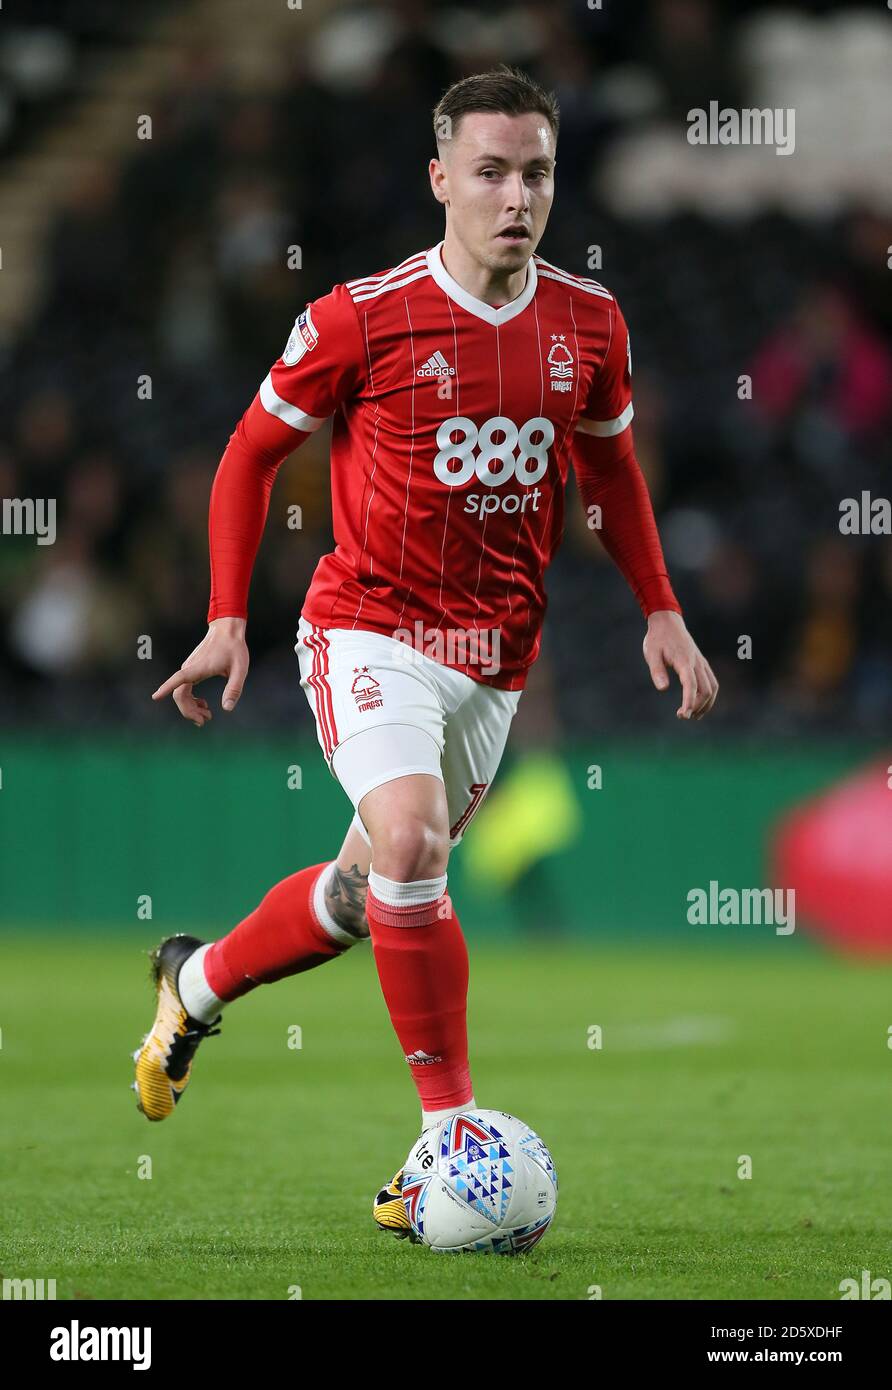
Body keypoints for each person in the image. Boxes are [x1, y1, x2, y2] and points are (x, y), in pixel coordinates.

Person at [134, 65, 718, 1238]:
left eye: (537, 173)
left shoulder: (588, 324)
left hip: (494, 663)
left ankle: (190, 987)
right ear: (440, 177)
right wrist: (227, 615)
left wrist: (661, 604)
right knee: (413, 841)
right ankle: (448, 1143)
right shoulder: (363, 314)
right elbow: (249, 454)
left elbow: (607, 468)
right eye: (492, 172)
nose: (516, 197)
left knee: (363, 890)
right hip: (367, 628)